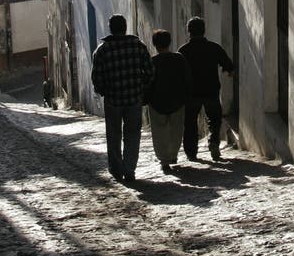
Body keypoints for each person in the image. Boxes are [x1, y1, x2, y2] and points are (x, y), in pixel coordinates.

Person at [91, 14, 153, 183]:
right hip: (134, 99)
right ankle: (130, 169)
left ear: (110, 28)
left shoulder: (102, 50)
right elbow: (149, 71)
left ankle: (117, 169)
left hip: (113, 101)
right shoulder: (138, 46)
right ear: (125, 27)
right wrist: (140, 87)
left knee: (113, 135)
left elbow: (96, 78)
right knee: (133, 134)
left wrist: (104, 91)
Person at [179, 16, 234, 162]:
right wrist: (229, 72)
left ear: (189, 32)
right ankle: (214, 142)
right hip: (211, 90)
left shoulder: (183, 51)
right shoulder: (214, 48)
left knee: (190, 122)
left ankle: (191, 152)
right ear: (204, 31)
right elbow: (229, 66)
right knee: (214, 120)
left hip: (191, 93)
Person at [145, 30, 191, 173]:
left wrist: (146, 99)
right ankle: (172, 155)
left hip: (157, 102)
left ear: (154, 44)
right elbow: (187, 78)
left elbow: (148, 82)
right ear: (169, 42)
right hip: (177, 100)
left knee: (159, 132)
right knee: (176, 130)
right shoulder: (179, 58)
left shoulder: (152, 61)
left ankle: (164, 160)